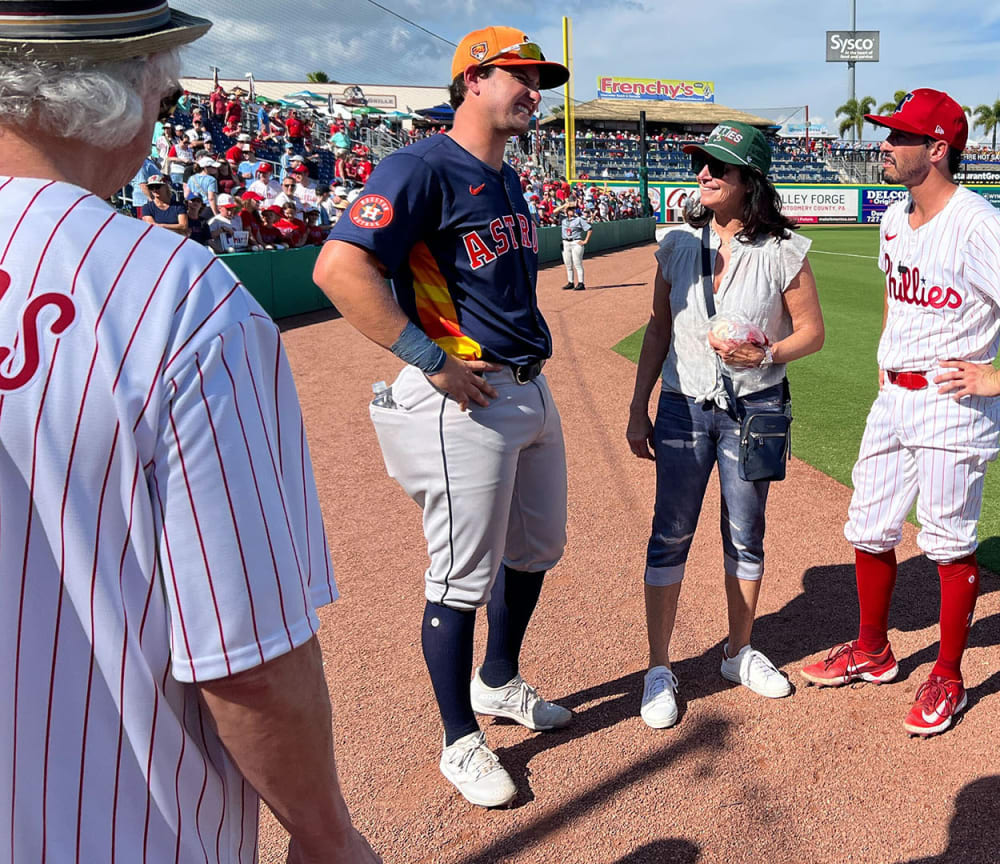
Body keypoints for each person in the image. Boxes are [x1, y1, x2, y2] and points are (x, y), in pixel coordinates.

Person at [0, 4, 379, 861]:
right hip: (118, 832)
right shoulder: (174, 293)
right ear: (125, 91)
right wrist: (327, 837)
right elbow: (246, 660)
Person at [313, 24, 573, 809]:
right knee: (460, 577)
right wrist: (430, 361)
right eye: (522, 75)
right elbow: (339, 268)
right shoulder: (420, 166)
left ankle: (498, 680)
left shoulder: (507, 177)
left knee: (537, 550)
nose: (535, 91)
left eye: (540, 80)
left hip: (529, 386)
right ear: (474, 79)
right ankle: (460, 739)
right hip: (467, 396)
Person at [799, 89, 1000, 736]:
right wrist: (885, 358)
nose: (885, 145)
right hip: (894, 395)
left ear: (938, 149)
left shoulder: (978, 222)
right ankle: (872, 651)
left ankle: (948, 674)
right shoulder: (895, 217)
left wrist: (998, 377)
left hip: (953, 401)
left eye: (899, 136)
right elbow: (895, 295)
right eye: (887, 135)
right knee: (869, 527)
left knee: (947, 541)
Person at [625, 121, 827, 729]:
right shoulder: (676, 245)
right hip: (683, 405)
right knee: (670, 535)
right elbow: (658, 329)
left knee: (745, 534)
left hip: (756, 409)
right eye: (702, 163)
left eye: (719, 165)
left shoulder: (785, 250)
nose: (705, 173)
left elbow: (812, 333)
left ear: (750, 180)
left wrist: (767, 354)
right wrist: (638, 407)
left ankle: (738, 652)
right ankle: (659, 667)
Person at [559, 203, 593, 290]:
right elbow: (554, 212)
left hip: (576, 242)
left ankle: (581, 283)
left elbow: (589, 229)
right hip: (566, 242)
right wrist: (564, 205)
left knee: (577, 263)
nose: (572, 211)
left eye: (573, 209)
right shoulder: (563, 219)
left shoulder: (578, 219)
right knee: (568, 264)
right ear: (566, 211)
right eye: (570, 209)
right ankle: (570, 282)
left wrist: (585, 241)